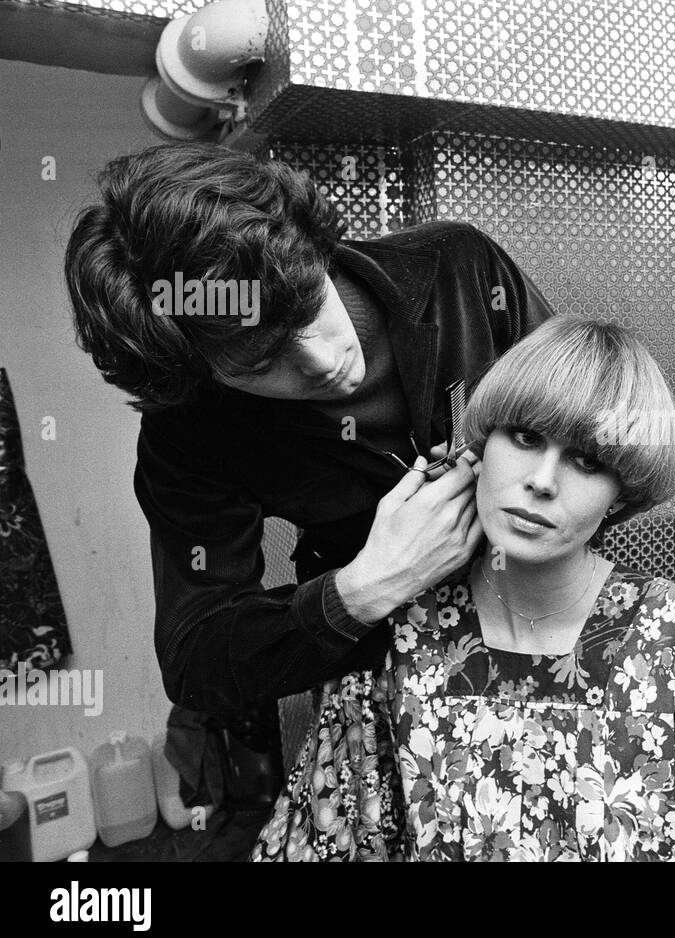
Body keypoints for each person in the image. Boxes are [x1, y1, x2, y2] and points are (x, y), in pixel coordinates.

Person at [252, 317, 675, 861]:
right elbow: (329, 838)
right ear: (480, 446)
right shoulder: (398, 636)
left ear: (620, 495)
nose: (542, 481)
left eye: (586, 461)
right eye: (524, 437)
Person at [63, 143, 554, 718]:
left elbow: (606, 434)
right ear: (202, 375)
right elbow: (195, 661)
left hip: (541, 618)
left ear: (315, 249)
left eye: (309, 307)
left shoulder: (457, 267)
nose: (322, 362)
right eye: (261, 363)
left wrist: (512, 485)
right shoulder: (189, 435)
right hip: (389, 682)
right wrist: (365, 590)